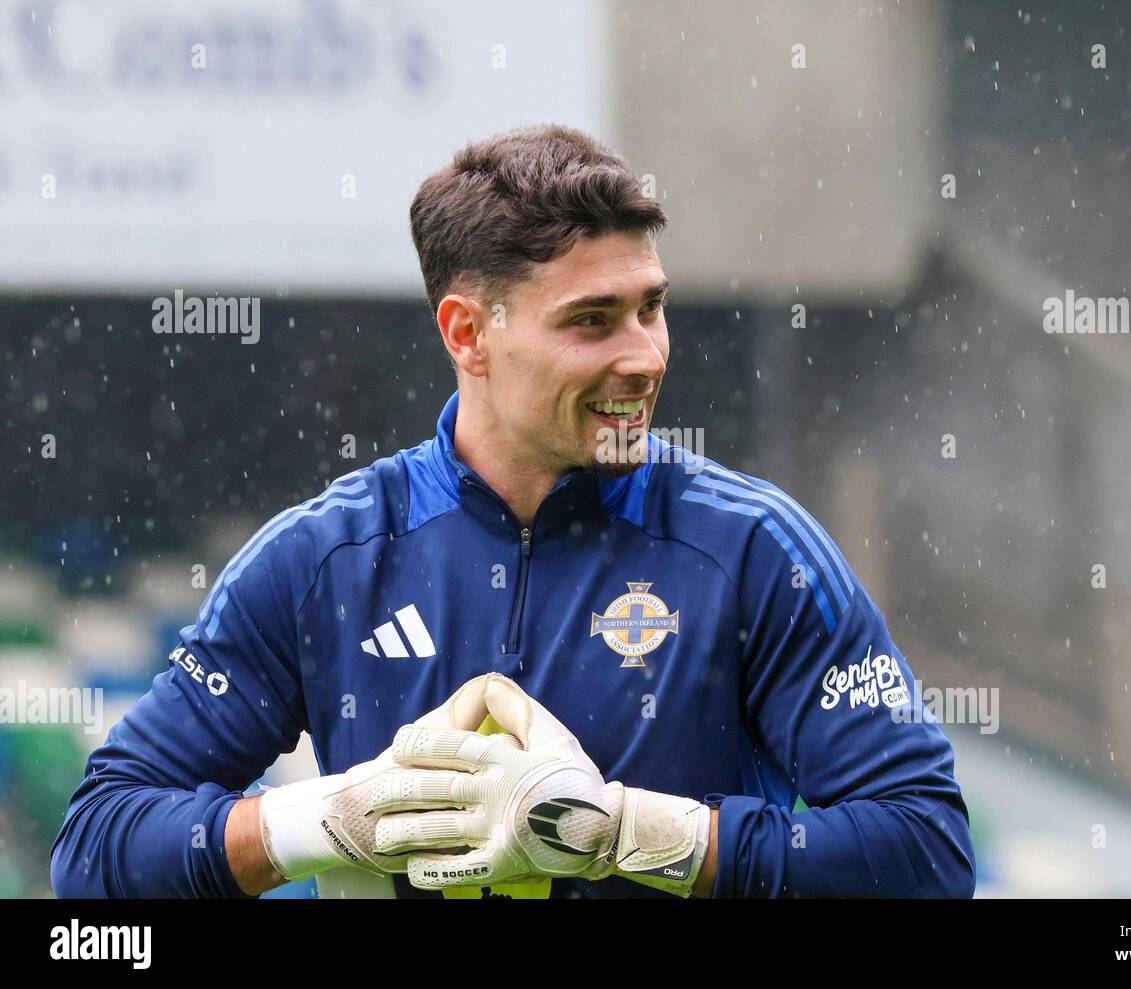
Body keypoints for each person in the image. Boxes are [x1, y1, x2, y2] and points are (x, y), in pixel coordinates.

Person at [51, 123, 976, 898]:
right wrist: (323, 820)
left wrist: (632, 831)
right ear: (467, 332)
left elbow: (926, 852)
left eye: (652, 308)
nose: (645, 355)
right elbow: (95, 850)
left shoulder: (755, 551)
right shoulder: (325, 559)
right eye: (591, 320)